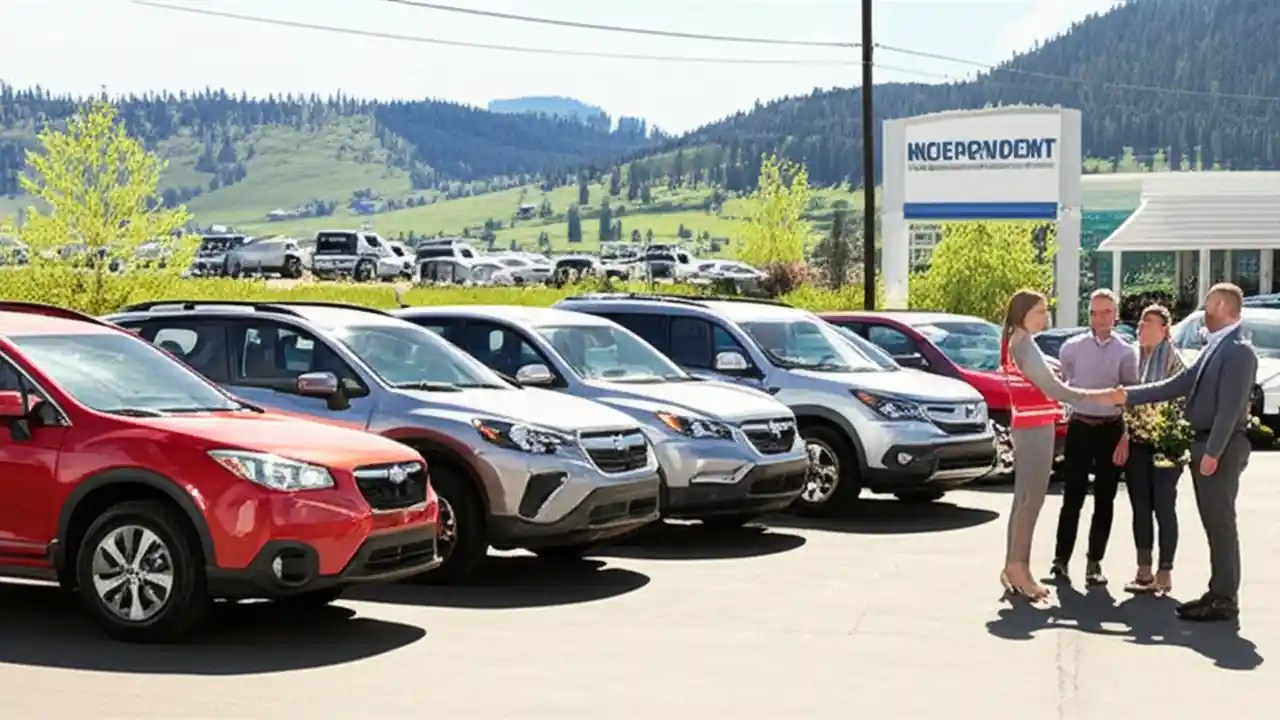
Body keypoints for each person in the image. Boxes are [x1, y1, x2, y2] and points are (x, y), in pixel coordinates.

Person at [1100, 283, 1256, 622]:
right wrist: (1127, 395)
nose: (1204, 311)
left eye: (1209, 304)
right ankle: (1218, 592)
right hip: (1205, 444)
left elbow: (1230, 409)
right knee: (1214, 524)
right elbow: (1177, 385)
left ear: (1221, 305)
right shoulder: (1217, 347)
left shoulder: (1239, 350)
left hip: (1221, 448)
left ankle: (1225, 598)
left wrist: (1213, 451)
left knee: (1221, 524)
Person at [999, 289, 1110, 601]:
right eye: (1039, 311)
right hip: (1033, 428)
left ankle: (1014, 565)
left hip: (1031, 425)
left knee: (1025, 499)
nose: (1044, 316)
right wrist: (1096, 397)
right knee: (1030, 499)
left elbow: (1042, 372)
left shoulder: (1019, 341)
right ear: (1022, 314)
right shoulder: (1023, 343)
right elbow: (1051, 387)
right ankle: (1018, 566)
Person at [1050, 289, 1139, 587]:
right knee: (1072, 494)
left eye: (1106, 312)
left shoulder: (1127, 352)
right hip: (1081, 427)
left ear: (1115, 314)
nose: (1100, 318)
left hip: (1111, 429)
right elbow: (1067, 384)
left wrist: (1125, 436)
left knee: (1105, 498)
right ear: (1088, 315)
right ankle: (1060, 561)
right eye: (1094, 312)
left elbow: (1131, 397)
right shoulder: (1071, 348)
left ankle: (1094, 563)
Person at [1123, 304, 1187, 595]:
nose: (1141, 327)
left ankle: (1166, 570)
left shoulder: (1176, 362)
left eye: (1149, 322)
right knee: (1140, 506)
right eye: (1140, 322)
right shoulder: (1131, 361)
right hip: (1136, 442)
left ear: (1165, 330)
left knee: (1164, 506)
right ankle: (1143, 570)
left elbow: (1182, 402)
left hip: (1166, 444)